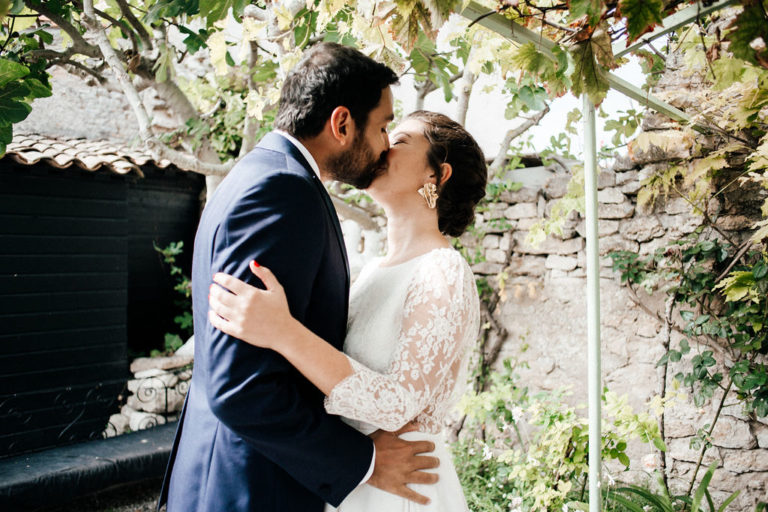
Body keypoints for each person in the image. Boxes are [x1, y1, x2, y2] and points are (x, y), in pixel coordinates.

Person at [159, 43, 444, 512]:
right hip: (250, 486)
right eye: (382, 127)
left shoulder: (265, 174)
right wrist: (365, 461)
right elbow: (240, 384)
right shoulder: (283, 191)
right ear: (342, 124)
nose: (385, 145)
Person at [207, 110, 488, 511]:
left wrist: (282, 331)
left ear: (437, 175)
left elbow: (398, 405)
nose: (383, 145)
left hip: (403, 485)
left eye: (400, 140)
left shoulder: (444, 270)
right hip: (356, 475)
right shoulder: (372, 270)